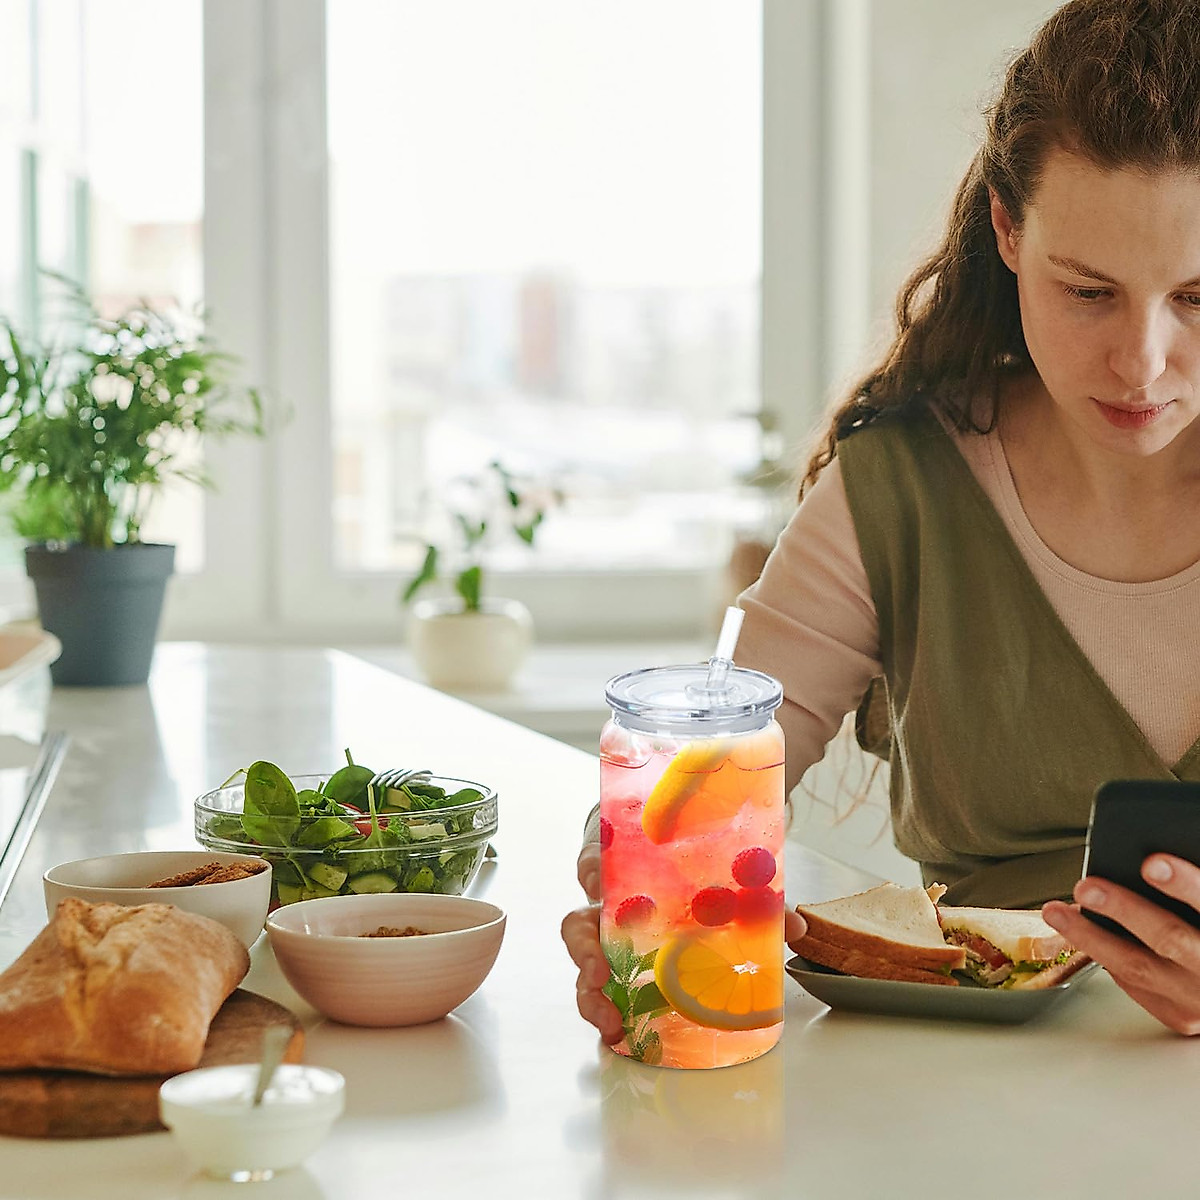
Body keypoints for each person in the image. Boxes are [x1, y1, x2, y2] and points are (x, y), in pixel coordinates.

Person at [562, 0, 1200, 1039]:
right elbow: (726, 749)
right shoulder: (898, 488)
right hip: (955, 1114)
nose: (1142, 361)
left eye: (1199, 298)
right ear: (1006, 229)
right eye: (1087, 292)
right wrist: (637, 858)